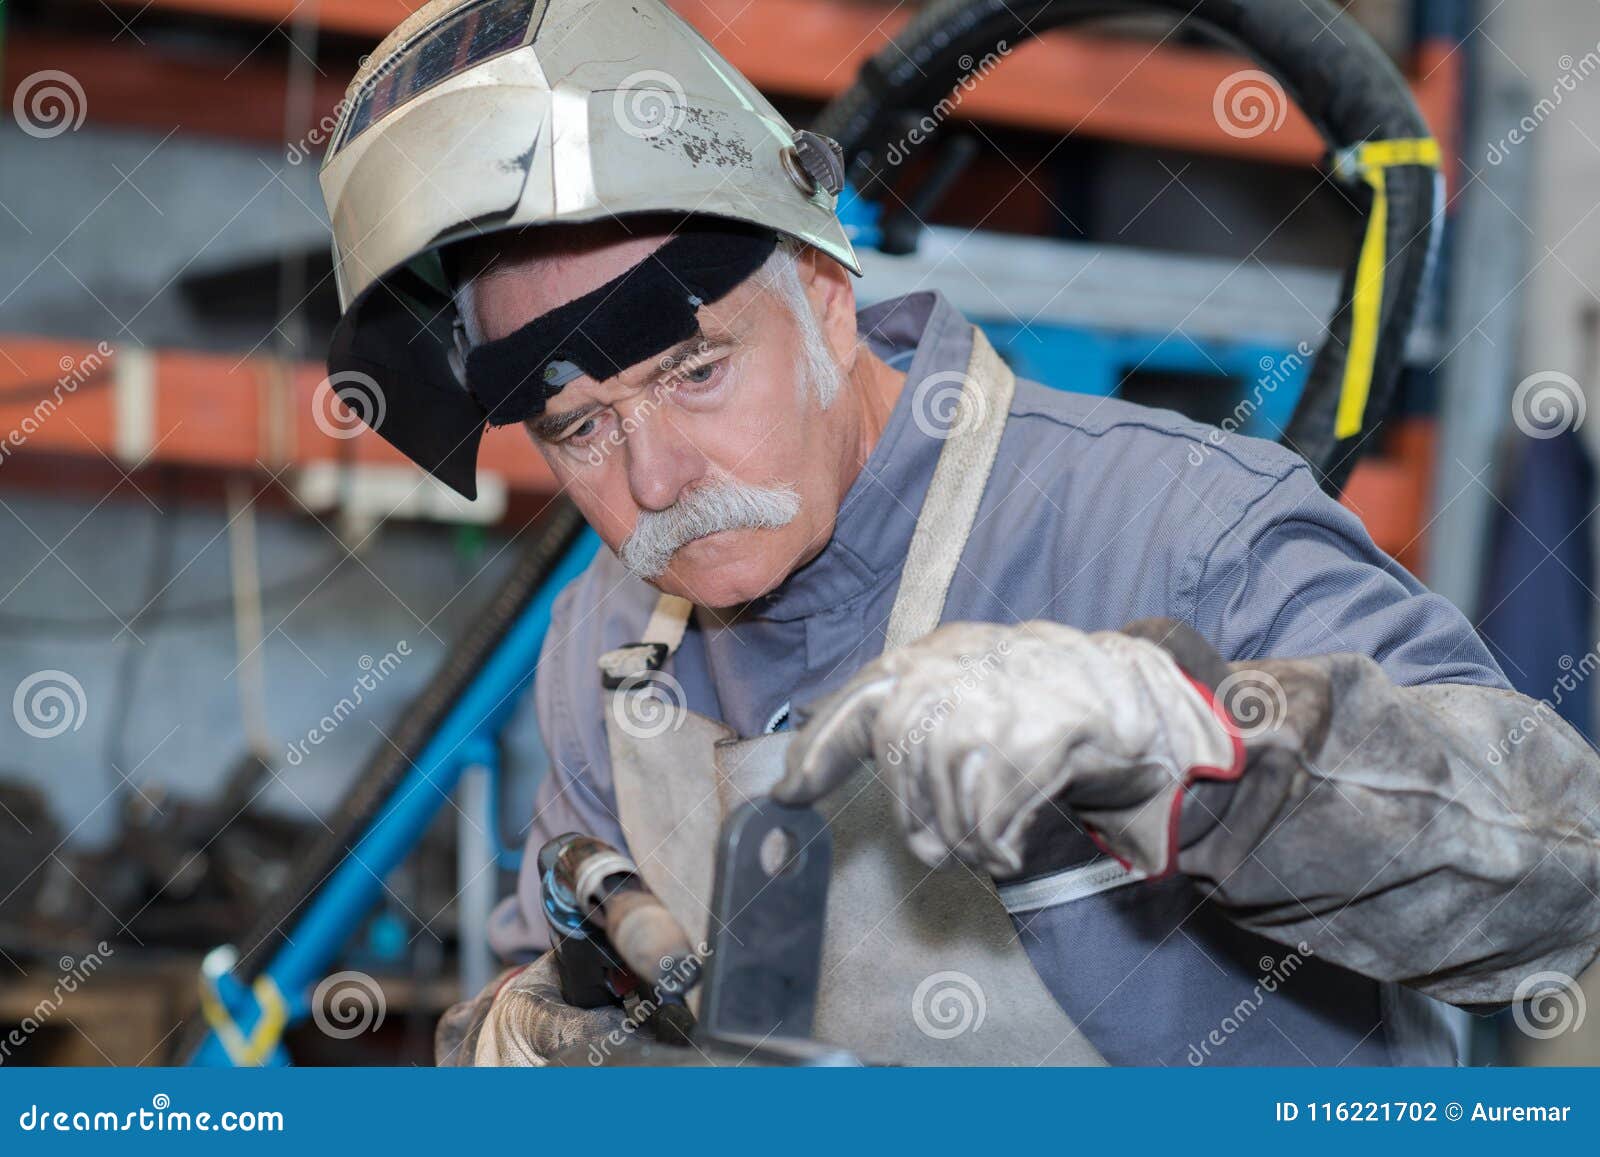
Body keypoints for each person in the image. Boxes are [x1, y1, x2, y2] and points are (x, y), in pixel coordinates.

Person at [322, 0, 1600, 1067]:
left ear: (825, 300)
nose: (652, 480)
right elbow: (565, 974)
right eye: (581, 431)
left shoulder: (1173, 528)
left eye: (695, 370)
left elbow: (1558, 872)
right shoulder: (605, 643)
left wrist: (1201, 748)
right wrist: (538, 1047)